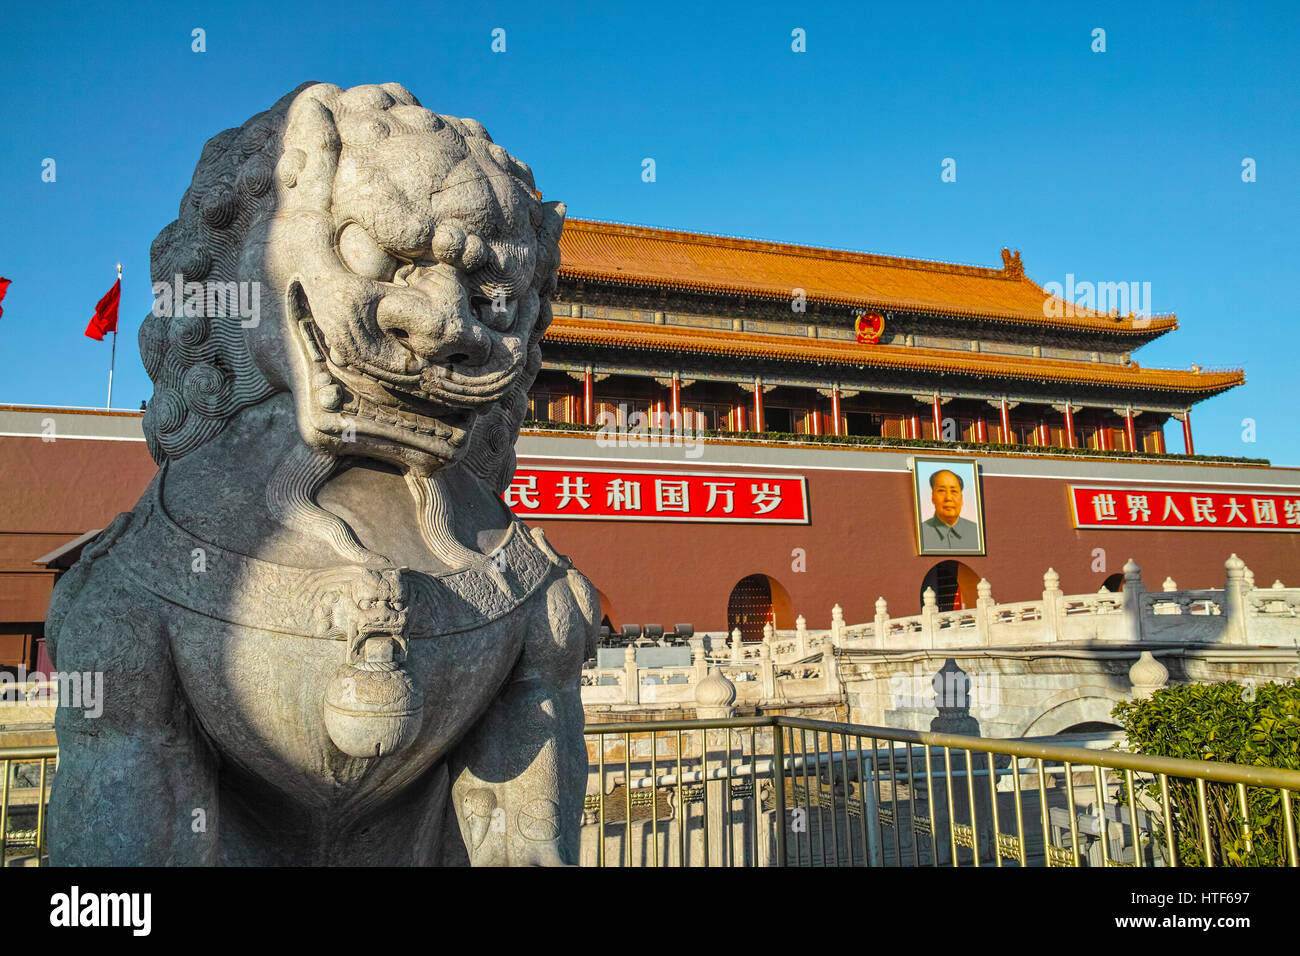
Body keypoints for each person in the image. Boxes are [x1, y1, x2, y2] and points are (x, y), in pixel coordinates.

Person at [920, 468, 980, 550]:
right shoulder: (921, 532)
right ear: (933, 497)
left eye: (954, 491)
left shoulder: (977, 532)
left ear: (962, 498)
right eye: (941, 491)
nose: (948, 498)